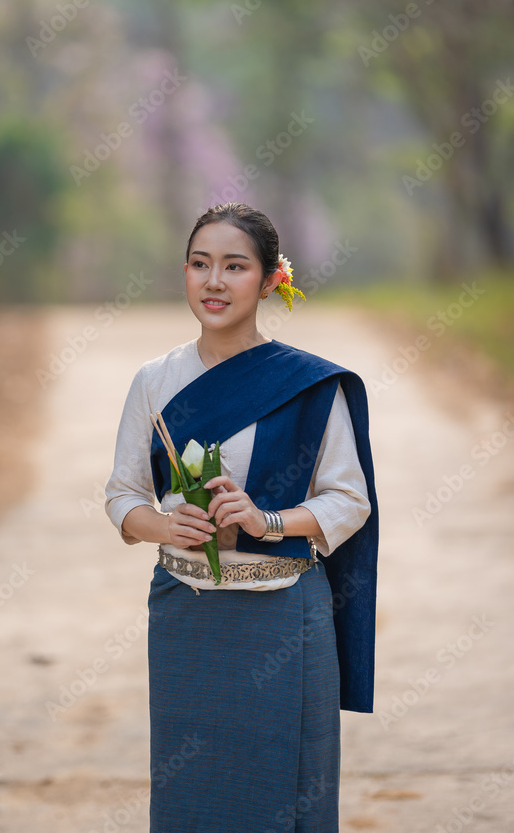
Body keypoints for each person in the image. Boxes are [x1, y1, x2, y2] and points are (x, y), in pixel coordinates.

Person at [104, 202, 379, 833]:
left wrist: (267, 521)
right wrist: (163, 526)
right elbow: (123, 495)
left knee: (286, 791)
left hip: (283, 615)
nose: (214, 282)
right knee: (191, 795)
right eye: (200, 265)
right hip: (185, 611)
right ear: (184, 273)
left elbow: (350, 500)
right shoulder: (155, 381)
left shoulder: (309, 384)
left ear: (269, 278)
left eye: (235, 266)